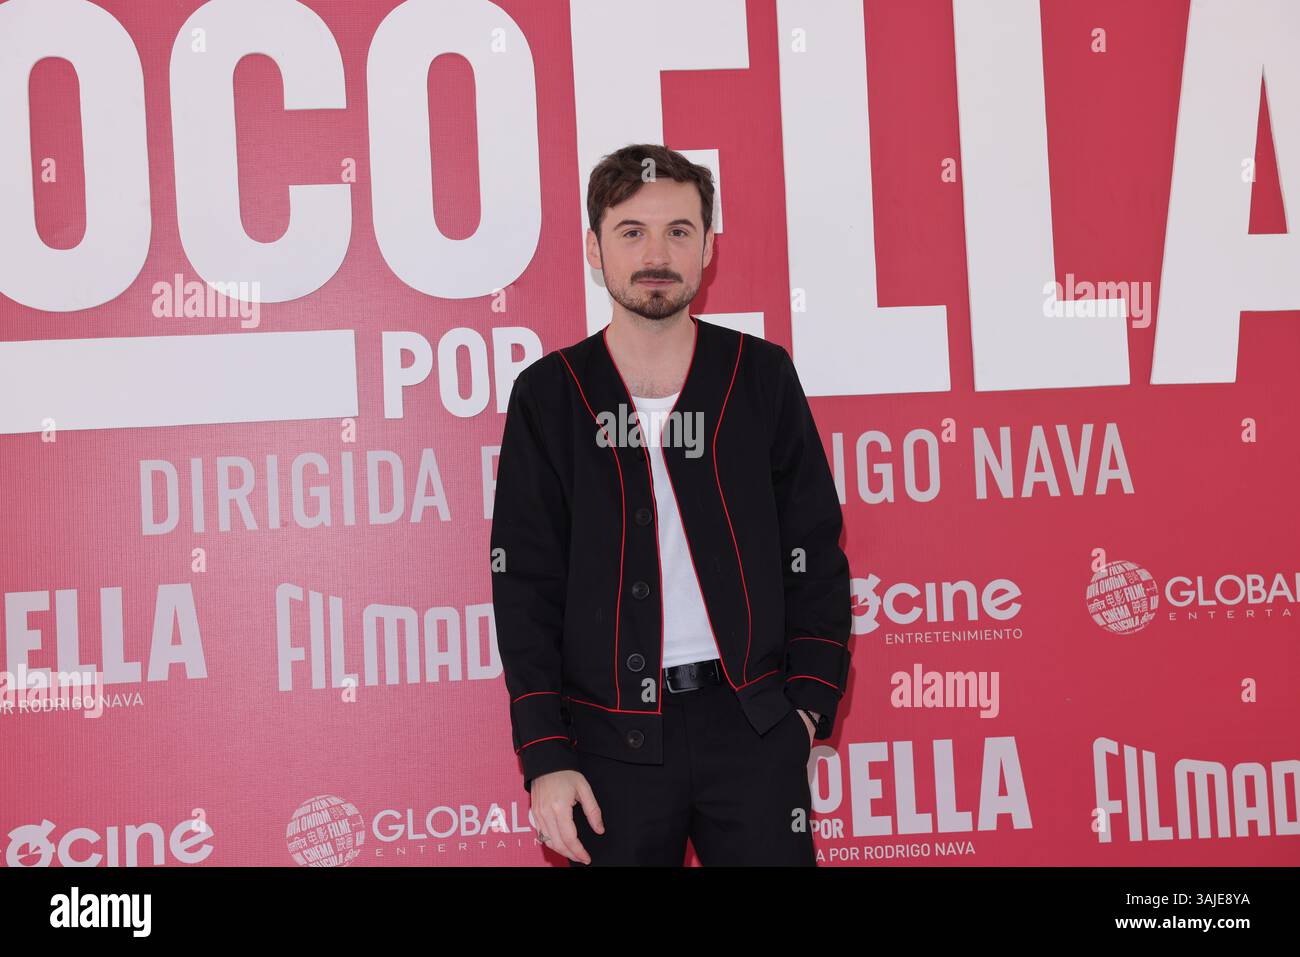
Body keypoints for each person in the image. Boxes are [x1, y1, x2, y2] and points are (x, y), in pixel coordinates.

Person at [489, 143, 852, 865]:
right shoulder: (550, 395)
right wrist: (545, 754)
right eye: (632, 231)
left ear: (708, 248)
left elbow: (813, 546)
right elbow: (522, 583)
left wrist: (805, 704)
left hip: (751, 726)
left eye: (679, 231)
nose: (657, 253)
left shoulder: (760, 376)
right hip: (605, 742)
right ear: (594, 248)